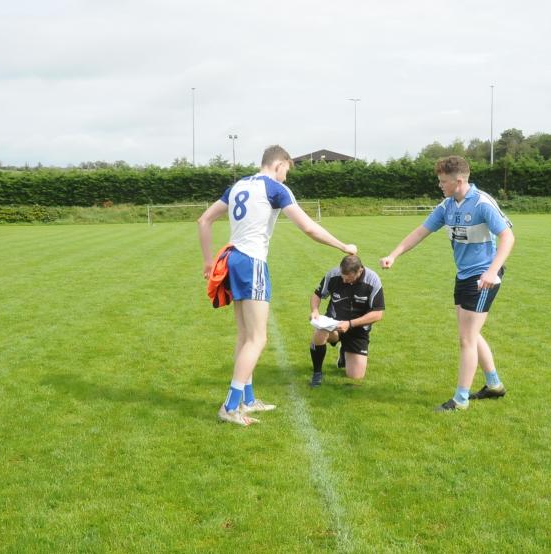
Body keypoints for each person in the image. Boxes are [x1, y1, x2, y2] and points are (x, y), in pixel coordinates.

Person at [198, 145, 357, 426]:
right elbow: (309, 228)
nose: (286, 177)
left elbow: (204, 220)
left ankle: (247, 399)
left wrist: (209, 262)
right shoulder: (275, 188)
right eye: (287, 170)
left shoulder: (237, 185)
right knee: (258, 338)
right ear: (280, 163)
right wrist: (343, 245)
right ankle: (230, 405)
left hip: (232, 259)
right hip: (252, 262)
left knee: (244, 335)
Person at [380, 155, 515, 412]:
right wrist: (394, 254)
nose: (440, 185)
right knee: (471, 335)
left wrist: (491, 271)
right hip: (463, 276)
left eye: (443, 181)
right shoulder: (447, 206)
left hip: (483, 278)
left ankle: (460, 399)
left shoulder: (483, 203)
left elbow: (508, 237)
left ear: (459, 180)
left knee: (466, 338)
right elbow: (420, 232)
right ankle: (494, 385)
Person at [309, 255, 385, 387]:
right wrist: (315, 310)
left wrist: (350, 324)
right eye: (342, 277)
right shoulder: (333, 274)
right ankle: (317, 374)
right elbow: (317, 294)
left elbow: (378, 314)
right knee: (320, 332)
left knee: (355, 376)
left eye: (348, 279)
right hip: (334, 325)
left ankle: (344, 352)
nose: (344, 281)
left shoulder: (373, 280)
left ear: (359, 271)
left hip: (358, 329)